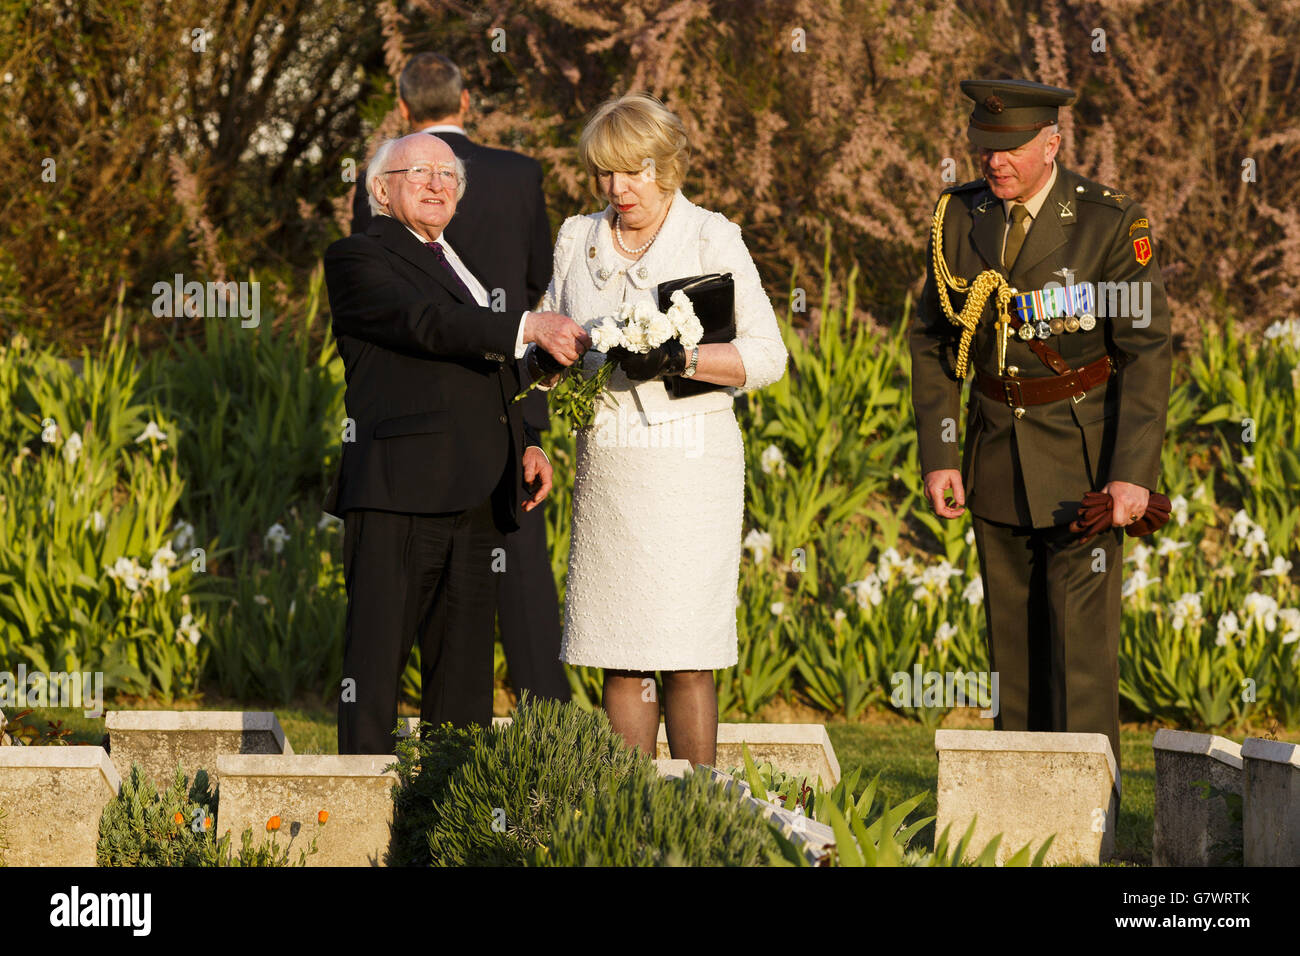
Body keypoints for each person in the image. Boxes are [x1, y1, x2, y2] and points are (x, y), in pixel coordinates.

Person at [910, 78, 1173, 781]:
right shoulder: (959, 218)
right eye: (984, 148)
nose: (994, 162)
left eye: (1011, 149)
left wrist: (1132, 474)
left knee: (1081, 656)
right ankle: (1018, 804)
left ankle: (1091, 820)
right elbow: (933, 343)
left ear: (1051, 144)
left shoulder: (1109, 222)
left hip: (1085, 464)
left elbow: (1146, 351)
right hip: (995, 450)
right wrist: (940, 454)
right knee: (1012, 649)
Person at [528, 92, 788, 765]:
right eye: (605, 174)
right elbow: (552, 341)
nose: (618, 190)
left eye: (633, 172)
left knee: (685, 652)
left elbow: (767, 357)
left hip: (690, 472)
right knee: (621, 653)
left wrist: (681, 357)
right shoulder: (576, 237)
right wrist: (548, 359)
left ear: (666, 167)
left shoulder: (710, 234)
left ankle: (700, 814)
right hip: (612, 468)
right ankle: (630, 816)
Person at [323, 132, 588, 754]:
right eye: (420, 171)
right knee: (375, 667)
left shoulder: (462, 264)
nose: (439, 182)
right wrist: (528, 323)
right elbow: (428, 326)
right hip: (398, 494)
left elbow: (488, 367)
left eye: (449, 174)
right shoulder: (358, 257)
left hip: (479, 497)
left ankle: (448, 824)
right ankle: (361, 813)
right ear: (381, 191)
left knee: (464, 679)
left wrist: (529, 436)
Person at [353, 53, 569, 704]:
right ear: (466, 101)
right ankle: (545, 718)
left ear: (402, 107)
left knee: (424, 598)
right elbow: (539, 281)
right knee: (523, 569)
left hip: (419, 419)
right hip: (513, 399)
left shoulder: (385, 179)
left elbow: (386, 302)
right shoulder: (520, 174)